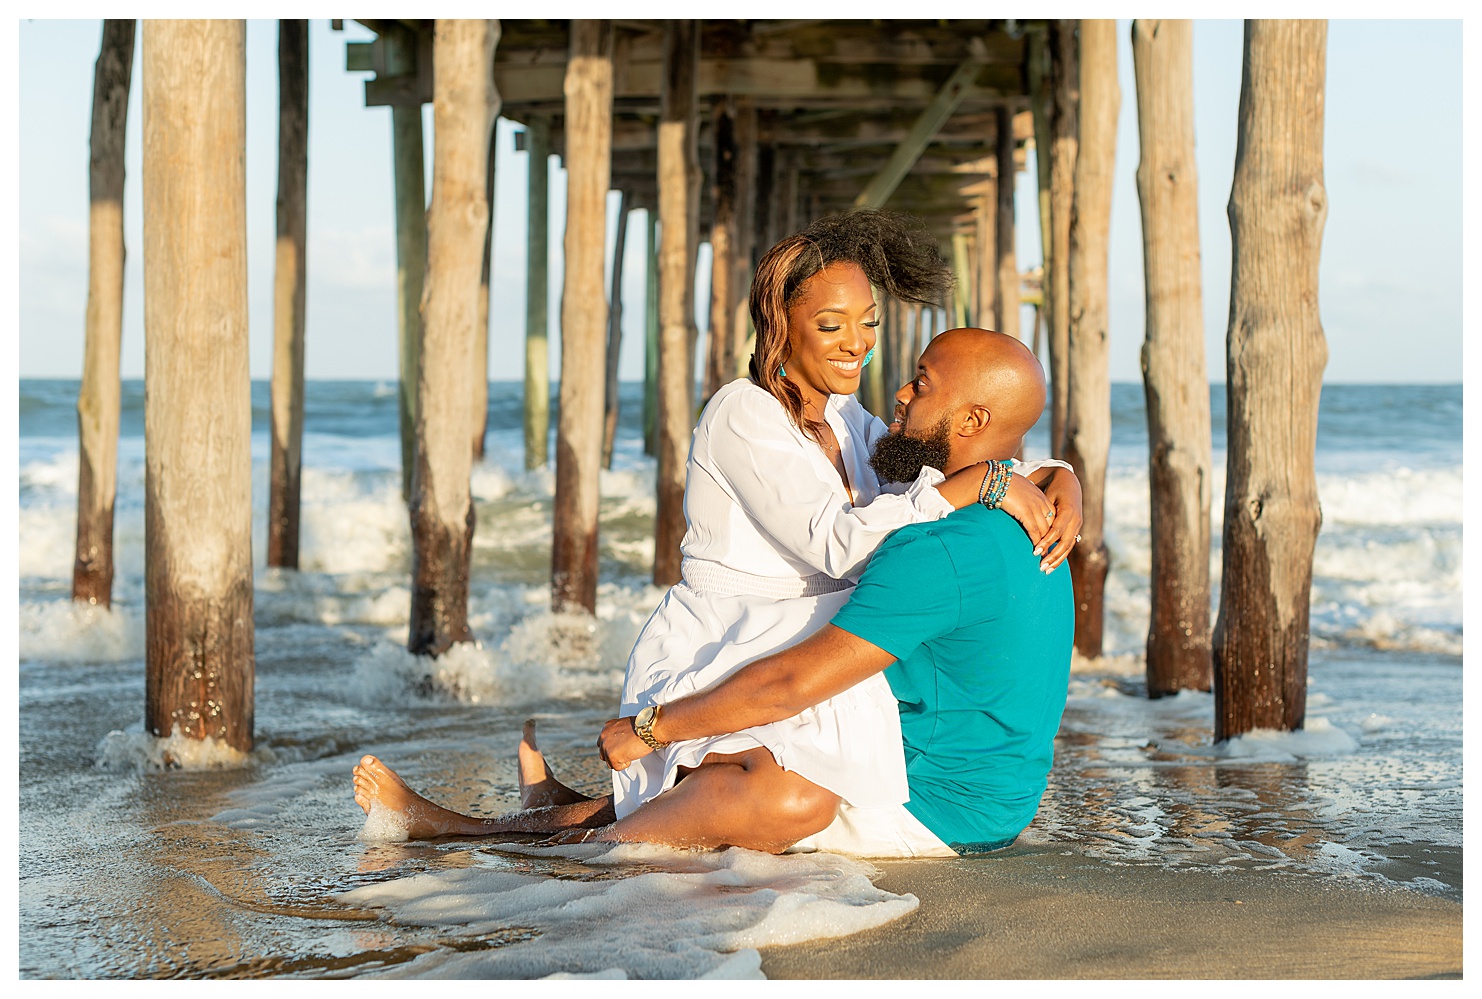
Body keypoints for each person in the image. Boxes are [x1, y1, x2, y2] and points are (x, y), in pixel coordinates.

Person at [353, 327, 1075, 857]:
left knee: (780, 784)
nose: (902, 391)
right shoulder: (1028, 515)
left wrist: (649, 727)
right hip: (996, 795)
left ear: (975, 421)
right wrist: (1061, 474)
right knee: (759, 746)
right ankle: (535, 817)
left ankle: (518, 852)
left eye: (923, 383)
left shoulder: (938, 547)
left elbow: (792, 681)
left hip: (936, 810)